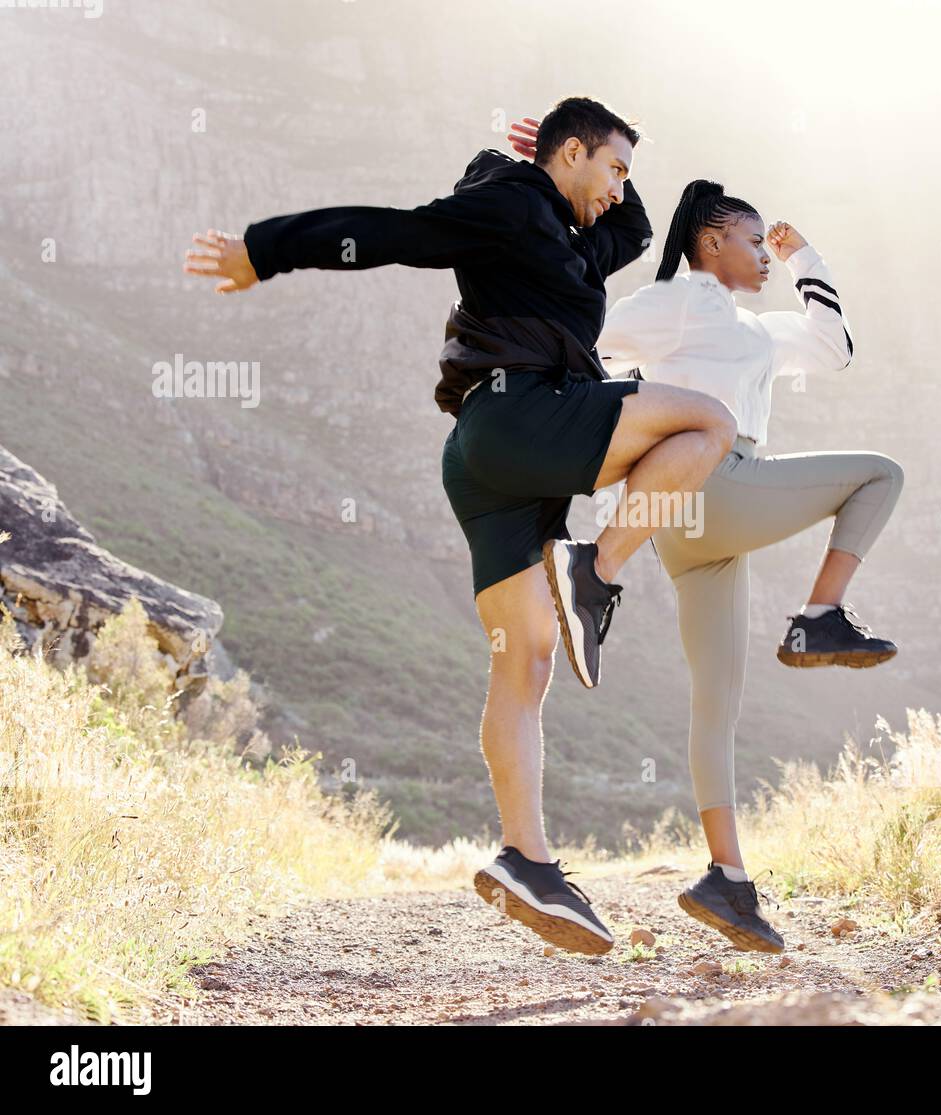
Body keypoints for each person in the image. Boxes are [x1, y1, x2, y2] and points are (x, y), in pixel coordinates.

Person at [182, 98, 737, 958]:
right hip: (521, 419)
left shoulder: (573, 236)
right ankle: (598, 571)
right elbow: (393, 232)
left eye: (625, 170)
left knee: (527, 655)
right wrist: (266, 250)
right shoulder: (511, 205)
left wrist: (598, 175)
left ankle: (527, 856)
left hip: (486, 456)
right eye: (613, 165)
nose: (619, 187)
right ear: (572, 153)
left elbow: (633, 227)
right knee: (707, 424)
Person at [594, 178, 904, 953]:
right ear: (709, 242)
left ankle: (726, 880)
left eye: (770, 244)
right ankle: (818, 617)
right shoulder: (677, 300)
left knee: (716, 702)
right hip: (714, 482)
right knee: (879, 475)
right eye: (754, 241)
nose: (765, 254)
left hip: (691, 531)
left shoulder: (755, 331)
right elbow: (593, 331)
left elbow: (834, 349)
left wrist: (808, 263)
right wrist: (630, 414)